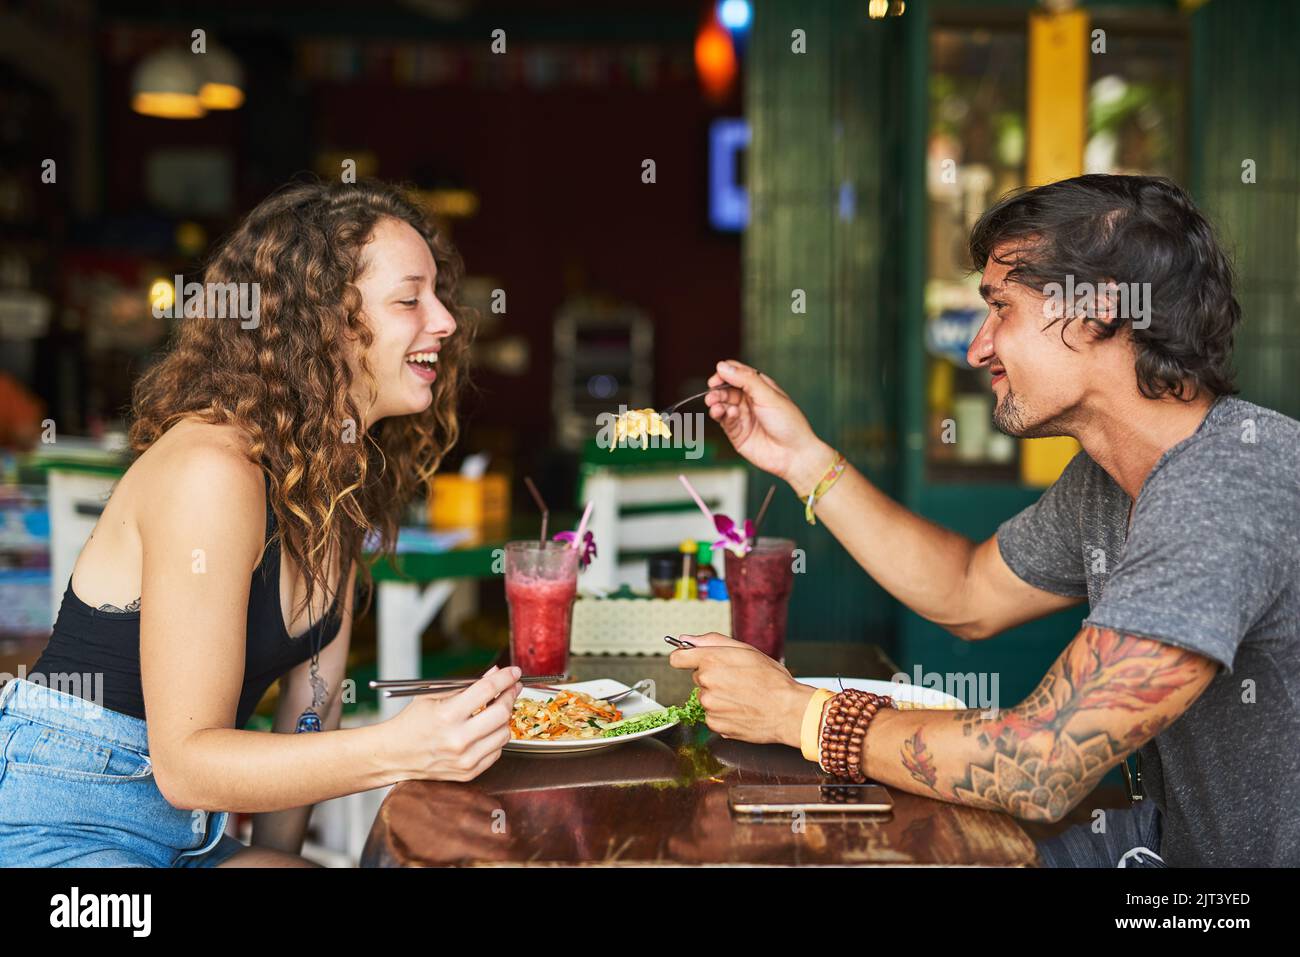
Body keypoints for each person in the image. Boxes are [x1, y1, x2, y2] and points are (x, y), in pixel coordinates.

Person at [672, 174, 1299, 868]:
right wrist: (802, 458)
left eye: (1000, 307)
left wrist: (798, 715)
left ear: (1102, 308)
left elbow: (1041, 761)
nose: (978, 349)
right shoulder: (1107, 480)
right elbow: (967, 592)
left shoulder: (1229, 482)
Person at [0, 179, 522, 867]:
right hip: (60, 825)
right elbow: (187, 767)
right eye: (409, 299)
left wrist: (281, 860)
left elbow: (311, 709)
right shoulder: (213, 471)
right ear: (323, 321)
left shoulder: (331, 483)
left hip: (189, 839)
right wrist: (403, 746)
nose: (446, 321)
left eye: (437, 295)